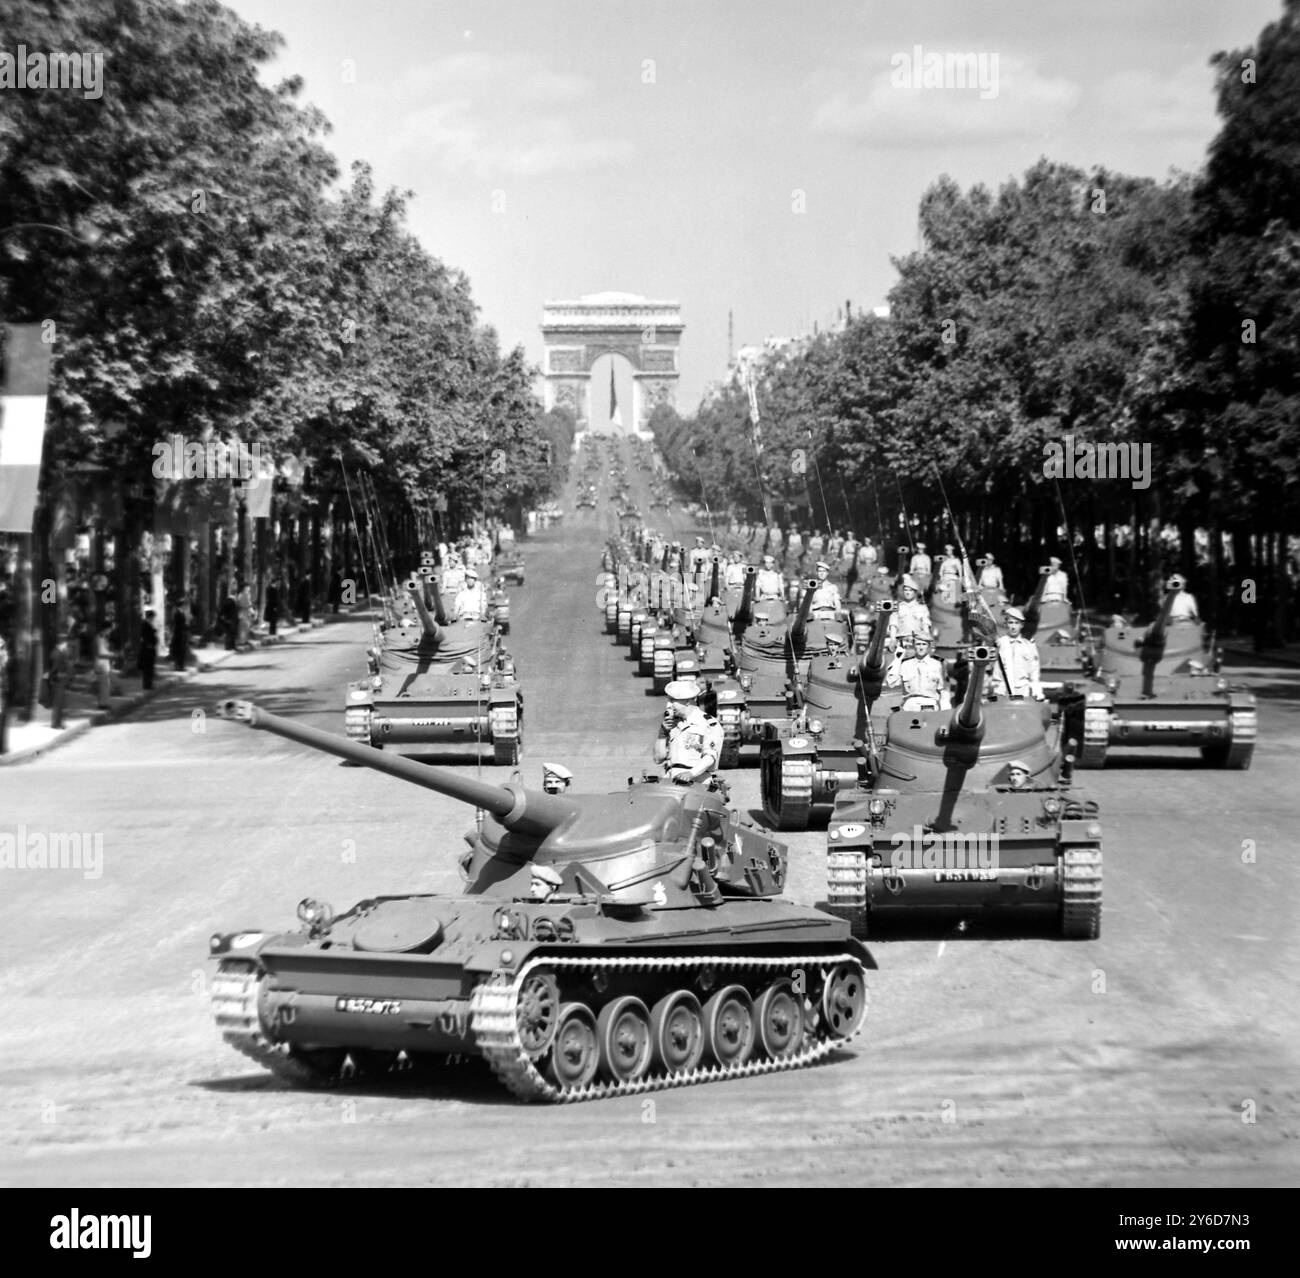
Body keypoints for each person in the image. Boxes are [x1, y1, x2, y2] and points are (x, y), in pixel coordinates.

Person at [657, 679, 724, 784]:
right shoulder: (673, 724)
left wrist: (691, 773)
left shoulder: (708, 724)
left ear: (687, 701)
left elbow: (710, 757)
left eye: (673, 701)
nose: (668, 706)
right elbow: (658, 759)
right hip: (670, 781)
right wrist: (662, 734)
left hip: (698, 782)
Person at [990, 606, 1044, 700]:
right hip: (1002, 690)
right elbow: (991, 668)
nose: (1013, 627)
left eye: (1016, 623)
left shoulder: (1029, 645)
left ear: (1022, 625)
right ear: (1006, 624)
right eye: (1010, 623)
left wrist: (1037, 692)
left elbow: (1034, 672)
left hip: (1022, 690)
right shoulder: (999, 644)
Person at [885, 632, 951, 708]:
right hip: (909, 704)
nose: (921, 647)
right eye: (918, 644)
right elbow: (891, 683)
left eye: (924, 644)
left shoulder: (938, 665)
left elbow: (944, 690)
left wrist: (946, 706)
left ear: (929, 646)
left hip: (930, 704)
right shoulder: (905, 664)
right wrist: (897, 660)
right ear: (913, 646)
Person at [888, 574, 933, 646]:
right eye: (905, 590)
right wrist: (892, 640)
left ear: (915, 592)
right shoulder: (898, 607)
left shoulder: (922, 607)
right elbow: (893, 624)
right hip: (901, 640)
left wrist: (927, 640)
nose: (907, 592)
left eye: (910, 590)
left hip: (918, 641)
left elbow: (925, 625)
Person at [47, 631, 72, 729]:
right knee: (58, 702)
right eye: (65, 642)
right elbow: (54, 669)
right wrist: (57, 676)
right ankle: (56, 723)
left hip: (61, 680)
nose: (66, 644)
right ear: (62, 642)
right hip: (58, 680)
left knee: (61, 702)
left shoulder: (61, 652)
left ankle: (59, 722)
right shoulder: (56, 653)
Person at [93, 623, 114, 709]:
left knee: (106, 684)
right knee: (103, 685)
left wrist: (110, 654)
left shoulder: (104, 638)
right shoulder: (98, 638)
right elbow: (99, 653)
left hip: (105, 663)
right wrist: (110, 655)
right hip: (100, 664)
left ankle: (105, 703)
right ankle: (102, 704)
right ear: (105, 629)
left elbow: (105, 651)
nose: (110, 631)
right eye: (109, 630)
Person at [139, 610, 158, 690]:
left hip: (151, 648)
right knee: (147, 667)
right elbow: (145, 636)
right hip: (147, 649)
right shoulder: (145, 624)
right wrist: (149, 645)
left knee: (150, 667)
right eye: (153, 617)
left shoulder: (149, 624)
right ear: (150, 617)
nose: (153, 619)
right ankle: (147, 684)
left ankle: (149, 683)